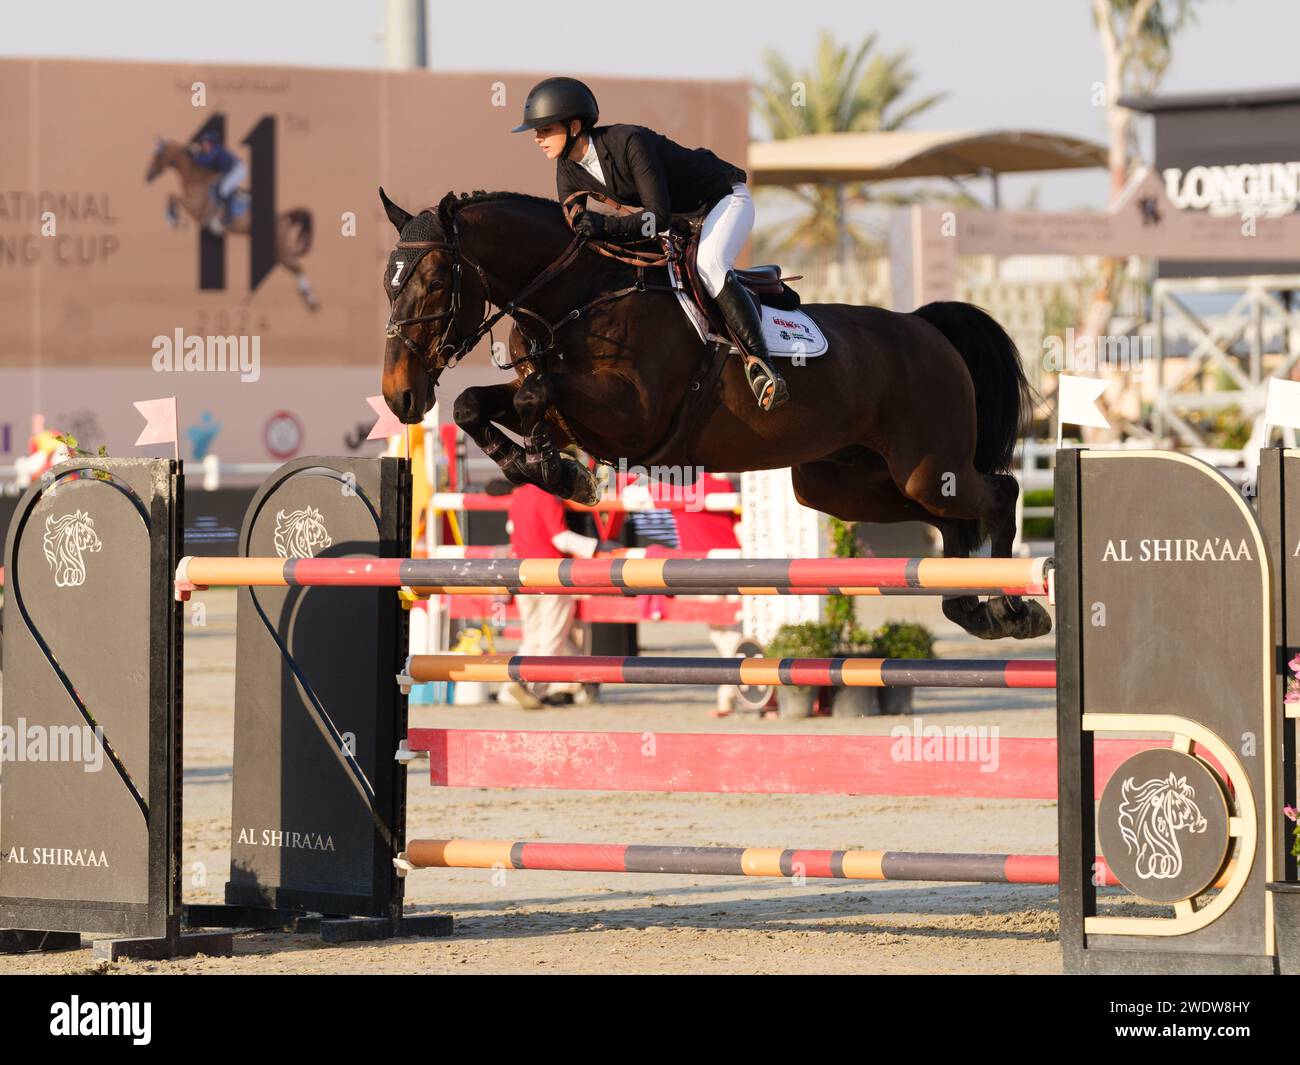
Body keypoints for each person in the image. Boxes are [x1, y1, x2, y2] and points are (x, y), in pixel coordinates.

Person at [512, 77, 788, 412]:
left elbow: (655, 218)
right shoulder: (567, 169)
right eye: (536, 132)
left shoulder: (629, 141)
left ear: (574, 126)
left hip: (721, 202)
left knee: (710, 266)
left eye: (544, 129)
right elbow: (575, 227)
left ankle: (762, 364)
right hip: (679, 224)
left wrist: (603, 225)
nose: (538, 139)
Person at [500, 482, 605, 708]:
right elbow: (560, 538)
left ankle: (512, 687)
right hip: (549, 574)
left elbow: (511, 529)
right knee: (553, 637)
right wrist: (597, 547)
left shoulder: (519, 495)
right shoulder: (547, 495)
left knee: (535, 636)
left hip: (521, 573)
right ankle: (532, 686)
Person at [188, 131, 246, 235]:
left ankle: (229, 217)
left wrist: (194, 154)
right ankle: (217, 212)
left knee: (224, 189)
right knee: (214, 187)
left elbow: (204, 162)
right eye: (203, 143)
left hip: (238, 170)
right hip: (229, 171)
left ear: (211, 143)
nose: (204, 145)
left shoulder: (215, 150)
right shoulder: (212, 150)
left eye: (206, 143)